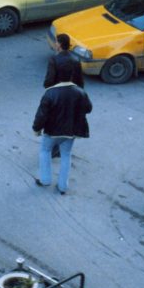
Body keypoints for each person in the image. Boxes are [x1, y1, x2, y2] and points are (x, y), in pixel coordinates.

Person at [33, 66, 92, 195]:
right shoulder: (80, 92)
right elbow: (88, 109)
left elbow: (41, 115)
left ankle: (45, 180)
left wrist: (36, 129)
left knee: (45, 151)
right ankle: (62, 187)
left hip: (52, 131)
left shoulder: (50, 93)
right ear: (72, 76)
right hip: (70, 132)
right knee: (66, 155)